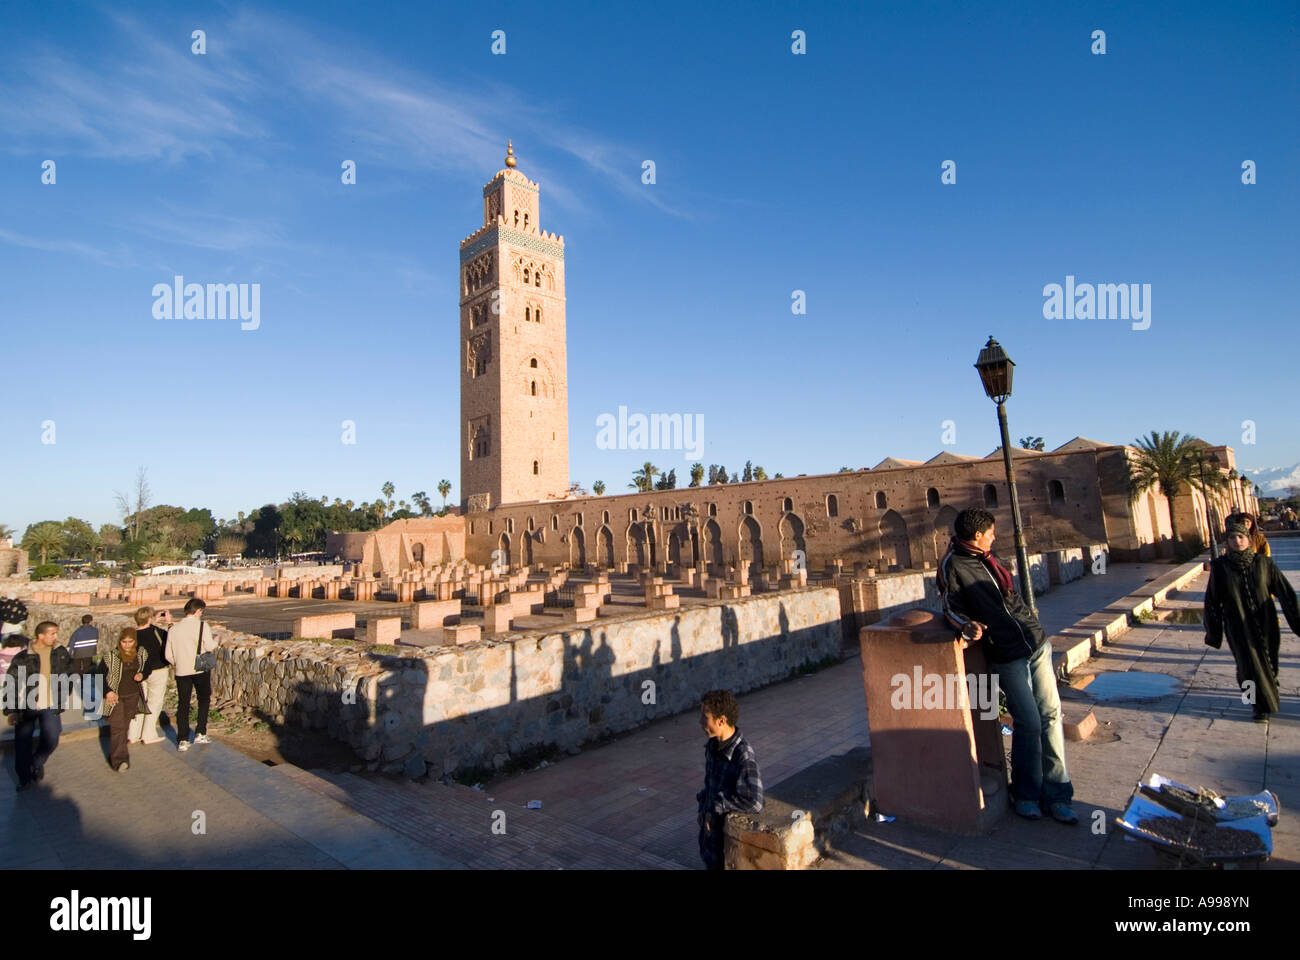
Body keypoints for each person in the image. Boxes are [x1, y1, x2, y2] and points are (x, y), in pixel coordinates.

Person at [937, 507, 1077, 824]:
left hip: (1035, 643)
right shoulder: (953, 565)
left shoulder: (990, 558)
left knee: (1051, 716)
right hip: (1006, 652)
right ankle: (1026, 793)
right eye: (990, 533)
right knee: (1028, 721)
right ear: (976, 536)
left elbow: (1011, 598)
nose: (994, 537)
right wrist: (965, 626)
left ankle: (1058, 793)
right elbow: (949, 606)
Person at [1204, 517, 1300, 721]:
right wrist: (1214, 631)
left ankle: (1268, 693)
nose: (1237, 541)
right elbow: (1212, 601)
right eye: (1232, 538)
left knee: (1269, 662)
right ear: (1227, 542)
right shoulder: (1220, 567)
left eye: (1240, 536)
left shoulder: (1264, 563)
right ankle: (1255, 705)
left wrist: (1297, 620)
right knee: (1245, 667)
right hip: (1237, 626)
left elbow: (1286, 593)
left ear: (1248, 539)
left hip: (1266, 624)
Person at [695, 689, 764, 870]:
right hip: (710, 844)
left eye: (705, 717)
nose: (700, 722)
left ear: (722, 721)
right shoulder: (712, 746)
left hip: (726, 847)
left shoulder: (742, 755)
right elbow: (711, 786)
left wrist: (718, 806)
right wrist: (704, 806)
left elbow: (755, 802)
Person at [3, 621, 74, 791]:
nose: (55, 637)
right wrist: (12, 711)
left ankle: (35, 762)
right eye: (52, 633)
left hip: (51, 706)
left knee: (52, 740)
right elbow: (12, 683)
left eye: (56, 633)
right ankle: (24, 778)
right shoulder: (23, 657)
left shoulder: (60, 653)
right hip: (26, 706)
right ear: (40, 635)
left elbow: (69, 675)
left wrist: (63, 694)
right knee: (22, 744)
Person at [167, 598, 218, 752]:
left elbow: (168, 655)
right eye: (201, 611)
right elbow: (209, 646)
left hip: (182, 670)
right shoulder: (203, 625)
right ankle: (200, 732)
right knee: (203, 699)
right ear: (198, 611)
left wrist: (179, 662)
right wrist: (217, 640)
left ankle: (182, 739)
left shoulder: (174, 629)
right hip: (200, 669)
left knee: (183, 703)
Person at [102, 627, 150, 772]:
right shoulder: (111, 656)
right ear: (119, 642)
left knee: (125, 725)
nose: (127, 645)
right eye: (124, 642)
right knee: (117, 727)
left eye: (130, 642)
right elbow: (100, 676)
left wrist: (142, 675)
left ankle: (118, 753)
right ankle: (120, 760)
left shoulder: (141, 653)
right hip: (116, 696)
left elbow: (147, 668)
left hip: (133, 695)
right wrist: (108, 691)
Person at [129, 607, 169, 745]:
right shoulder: (157, 632)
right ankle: (148, 734)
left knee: (139, 702)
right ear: (149, 619)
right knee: (154, 703)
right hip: (157, 671)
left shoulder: (132, 634)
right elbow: (172, 637)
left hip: (138, 672)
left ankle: (133, 734)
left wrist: (152, 620)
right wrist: (169, 622)